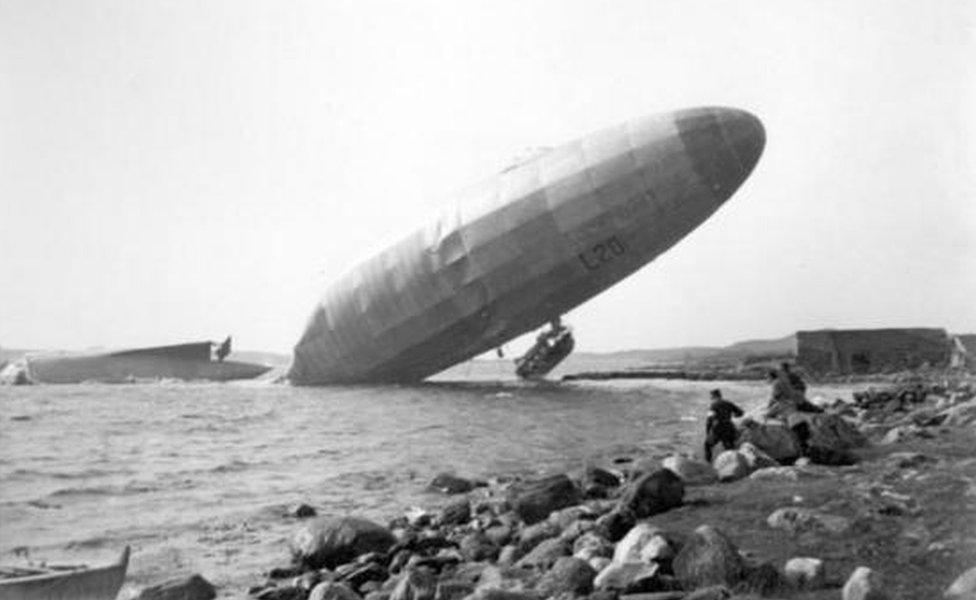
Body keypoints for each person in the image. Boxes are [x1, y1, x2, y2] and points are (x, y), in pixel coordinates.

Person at [704, 389, 744, 462]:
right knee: (730, 449)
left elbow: (709, 421)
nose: (711, 398)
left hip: (718, 429)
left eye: (711, 397)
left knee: (707, 445)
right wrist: (734, 415)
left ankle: (708, 464)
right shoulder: (728, 403)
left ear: (714, 396)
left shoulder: (713, 405)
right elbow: (741, 412)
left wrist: (708, 433)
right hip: (729, 427)